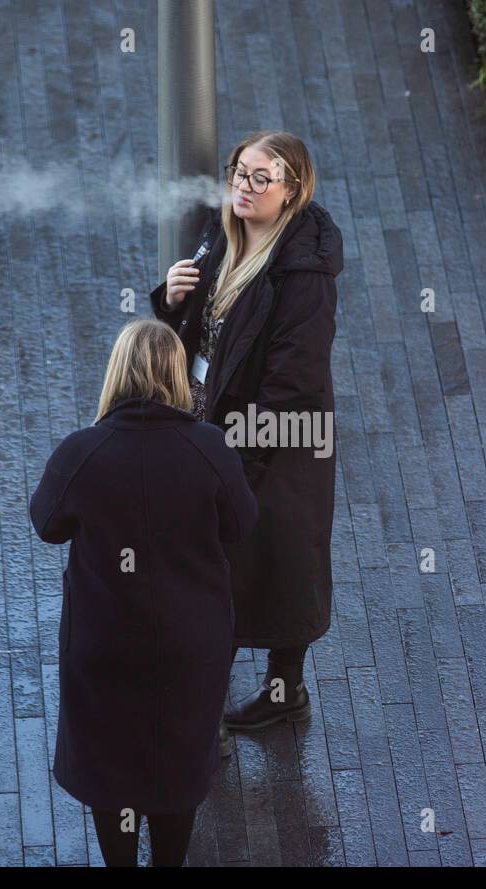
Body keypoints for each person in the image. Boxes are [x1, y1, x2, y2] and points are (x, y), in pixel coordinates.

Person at [30, 319, 257, 867]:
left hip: (104, 644)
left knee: (111, 769)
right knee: (176, 766)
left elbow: (47, 522)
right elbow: (243, 523)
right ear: (178, 376)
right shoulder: (210, 448)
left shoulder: (83, 450)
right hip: (189, 646)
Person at [150, 130, 343, 736]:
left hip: (276, 437)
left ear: (292, 191)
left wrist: (240, 455)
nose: (245, 185)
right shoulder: (221, 231)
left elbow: (296, 377)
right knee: (234, 561)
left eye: (263, 177)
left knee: (269, 562)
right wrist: (171, 300)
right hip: (213, 417)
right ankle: (247, 695)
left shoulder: (303, 274)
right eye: (241, 171)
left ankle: (271, 695)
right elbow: (201, 328)